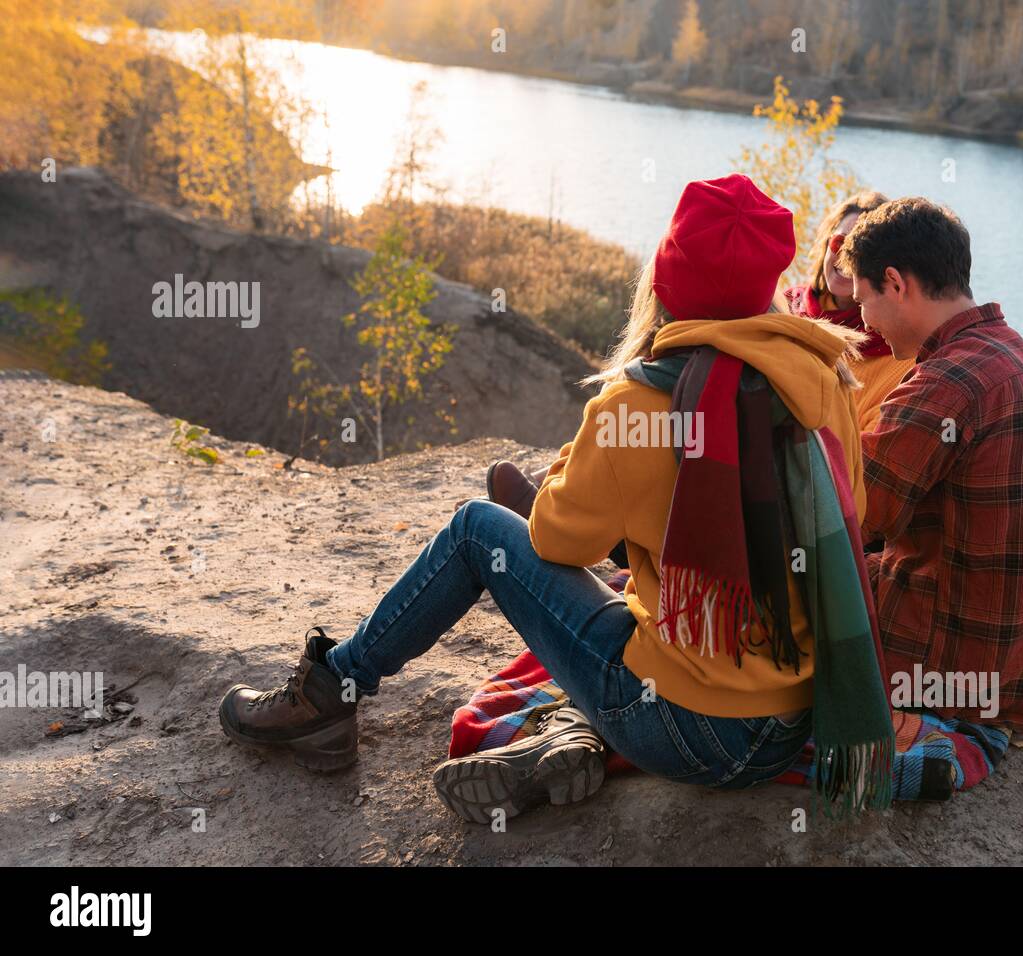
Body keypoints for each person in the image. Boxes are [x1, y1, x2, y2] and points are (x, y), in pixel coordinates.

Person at [219, 174, 895, 822]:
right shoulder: (824, 377)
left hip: (689, 734)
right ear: (768, 287)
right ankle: (551, 736)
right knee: (633, 576)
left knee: (477, 531)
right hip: (796, 721)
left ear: (667, 279)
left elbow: (553, 542)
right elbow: (849, 516)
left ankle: (327, 695)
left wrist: (581, 457)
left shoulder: (636, 402)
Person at [837, 196, 1023, 736]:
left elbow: (850, 515)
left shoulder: (946, 381)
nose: (865, 324)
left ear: (895, 282)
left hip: (947, 679)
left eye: (863, 301)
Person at [784, 190, 914, 435]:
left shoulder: (899, 357)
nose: (846, 257)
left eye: (860, 252)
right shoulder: (785, 308)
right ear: (825, 245)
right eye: (839, 242)